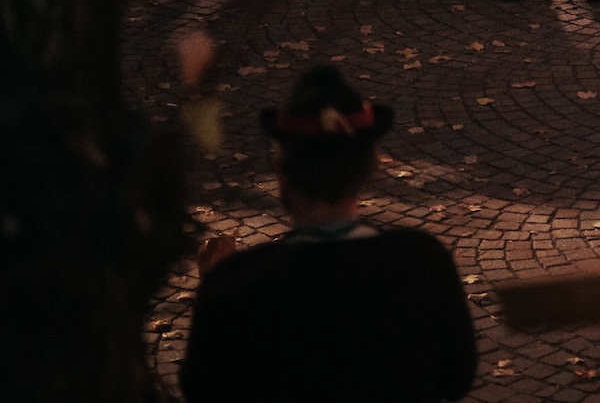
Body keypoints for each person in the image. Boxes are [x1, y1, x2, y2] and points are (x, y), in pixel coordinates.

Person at [180, 67, 475, 403]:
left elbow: (205, 389)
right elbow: (456, 380)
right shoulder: (422, 261)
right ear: (373, 164)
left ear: (282, 174)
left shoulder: (236, 283)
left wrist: (215, 286)